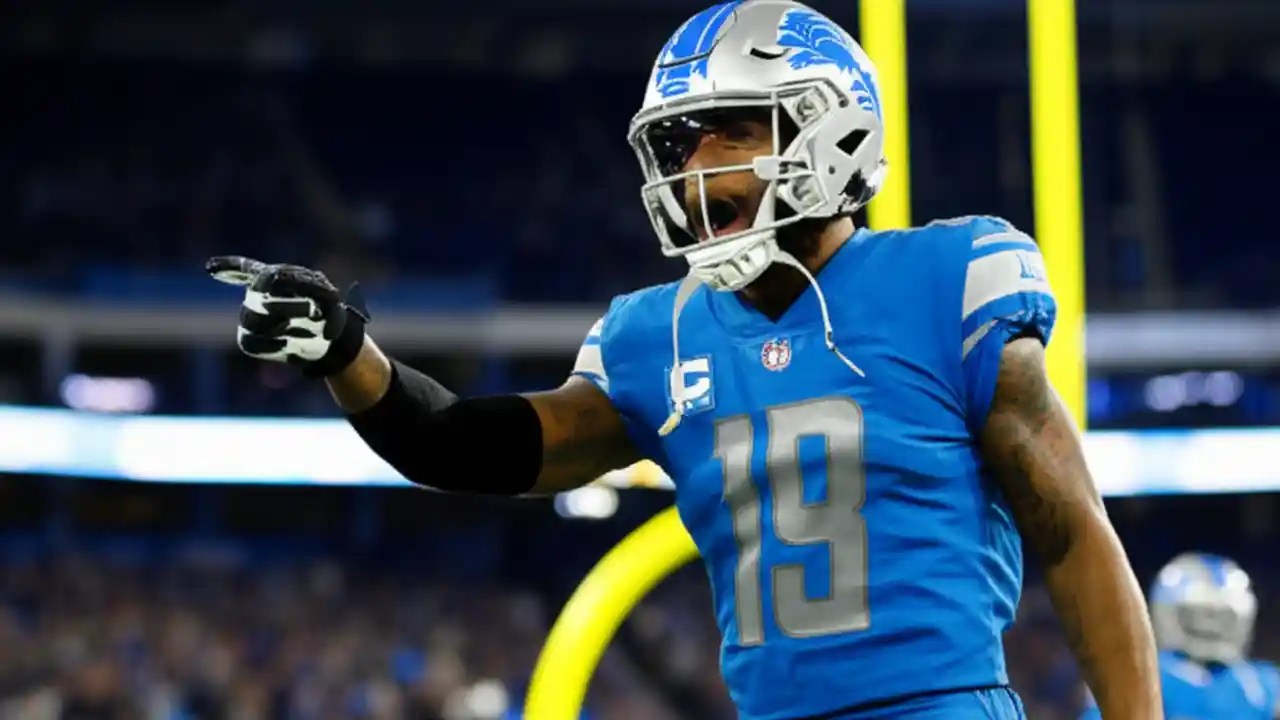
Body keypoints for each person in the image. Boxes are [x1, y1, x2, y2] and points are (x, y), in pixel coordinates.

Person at [207, 1, 1160, 717]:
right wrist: (345, 352)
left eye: (732, 130)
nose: (698, 163)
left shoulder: (947, 275)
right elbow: (465, 446)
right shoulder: (653, 335)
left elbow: (1072, 533)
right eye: (681, 140)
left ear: (833, 132)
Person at [1081, 552, 1279, 719]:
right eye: (1196, 616)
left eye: (1223, 618)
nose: (1211, 627)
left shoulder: (1263, 683)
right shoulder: (1140, 677)